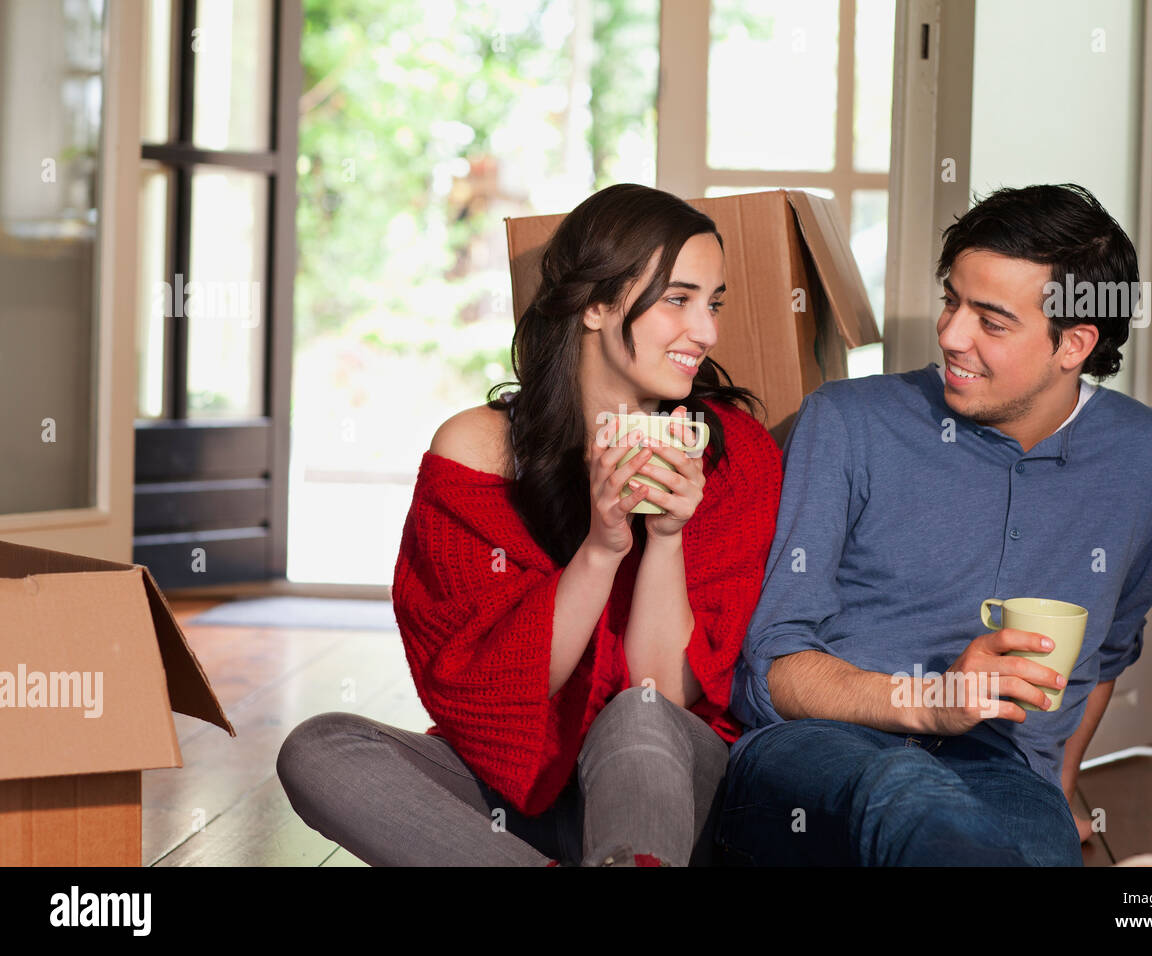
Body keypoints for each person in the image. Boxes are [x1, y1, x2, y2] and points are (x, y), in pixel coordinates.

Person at [277, 183, 782, 866]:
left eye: (713, 303)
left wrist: (663, 538)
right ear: (597, 304)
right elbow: (481, 689)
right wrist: (602, 551)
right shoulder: (477, 450)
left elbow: (660, 690)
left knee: (635, 714)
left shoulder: (733, 451)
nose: (708, 332)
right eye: (679, 300)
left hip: (661, 783)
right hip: (513, 791)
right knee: (320, 748)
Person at [718, 183, 1152, 867]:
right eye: (952, 299)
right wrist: (934, 701)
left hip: (1000, 771)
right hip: (819, 752)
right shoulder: (849, 421)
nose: (949, 333)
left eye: (992, 321)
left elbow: (1109, 648)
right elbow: (773, 666)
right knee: (907, 786)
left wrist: (1056, 787)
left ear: (1075, 344)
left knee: (1032, 844)